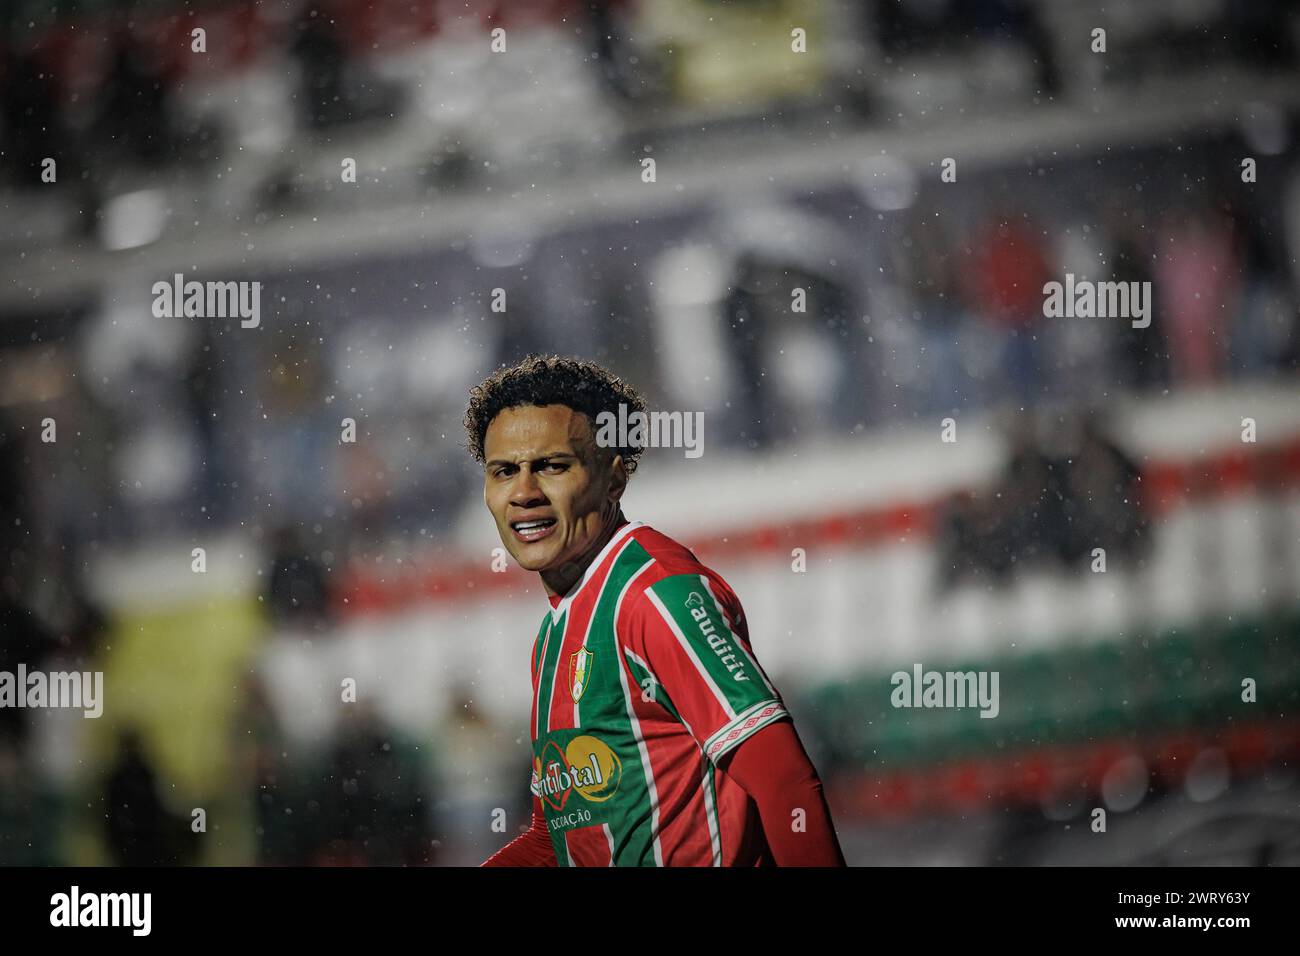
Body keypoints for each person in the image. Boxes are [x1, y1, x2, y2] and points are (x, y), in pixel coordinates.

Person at [465, 354, 844, 866]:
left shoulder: (654, 594)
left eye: (553, 466)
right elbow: (554, 843)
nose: (525, 493)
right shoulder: (553, 635)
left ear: (613, 480)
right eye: (505, 471)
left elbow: (785, 784)